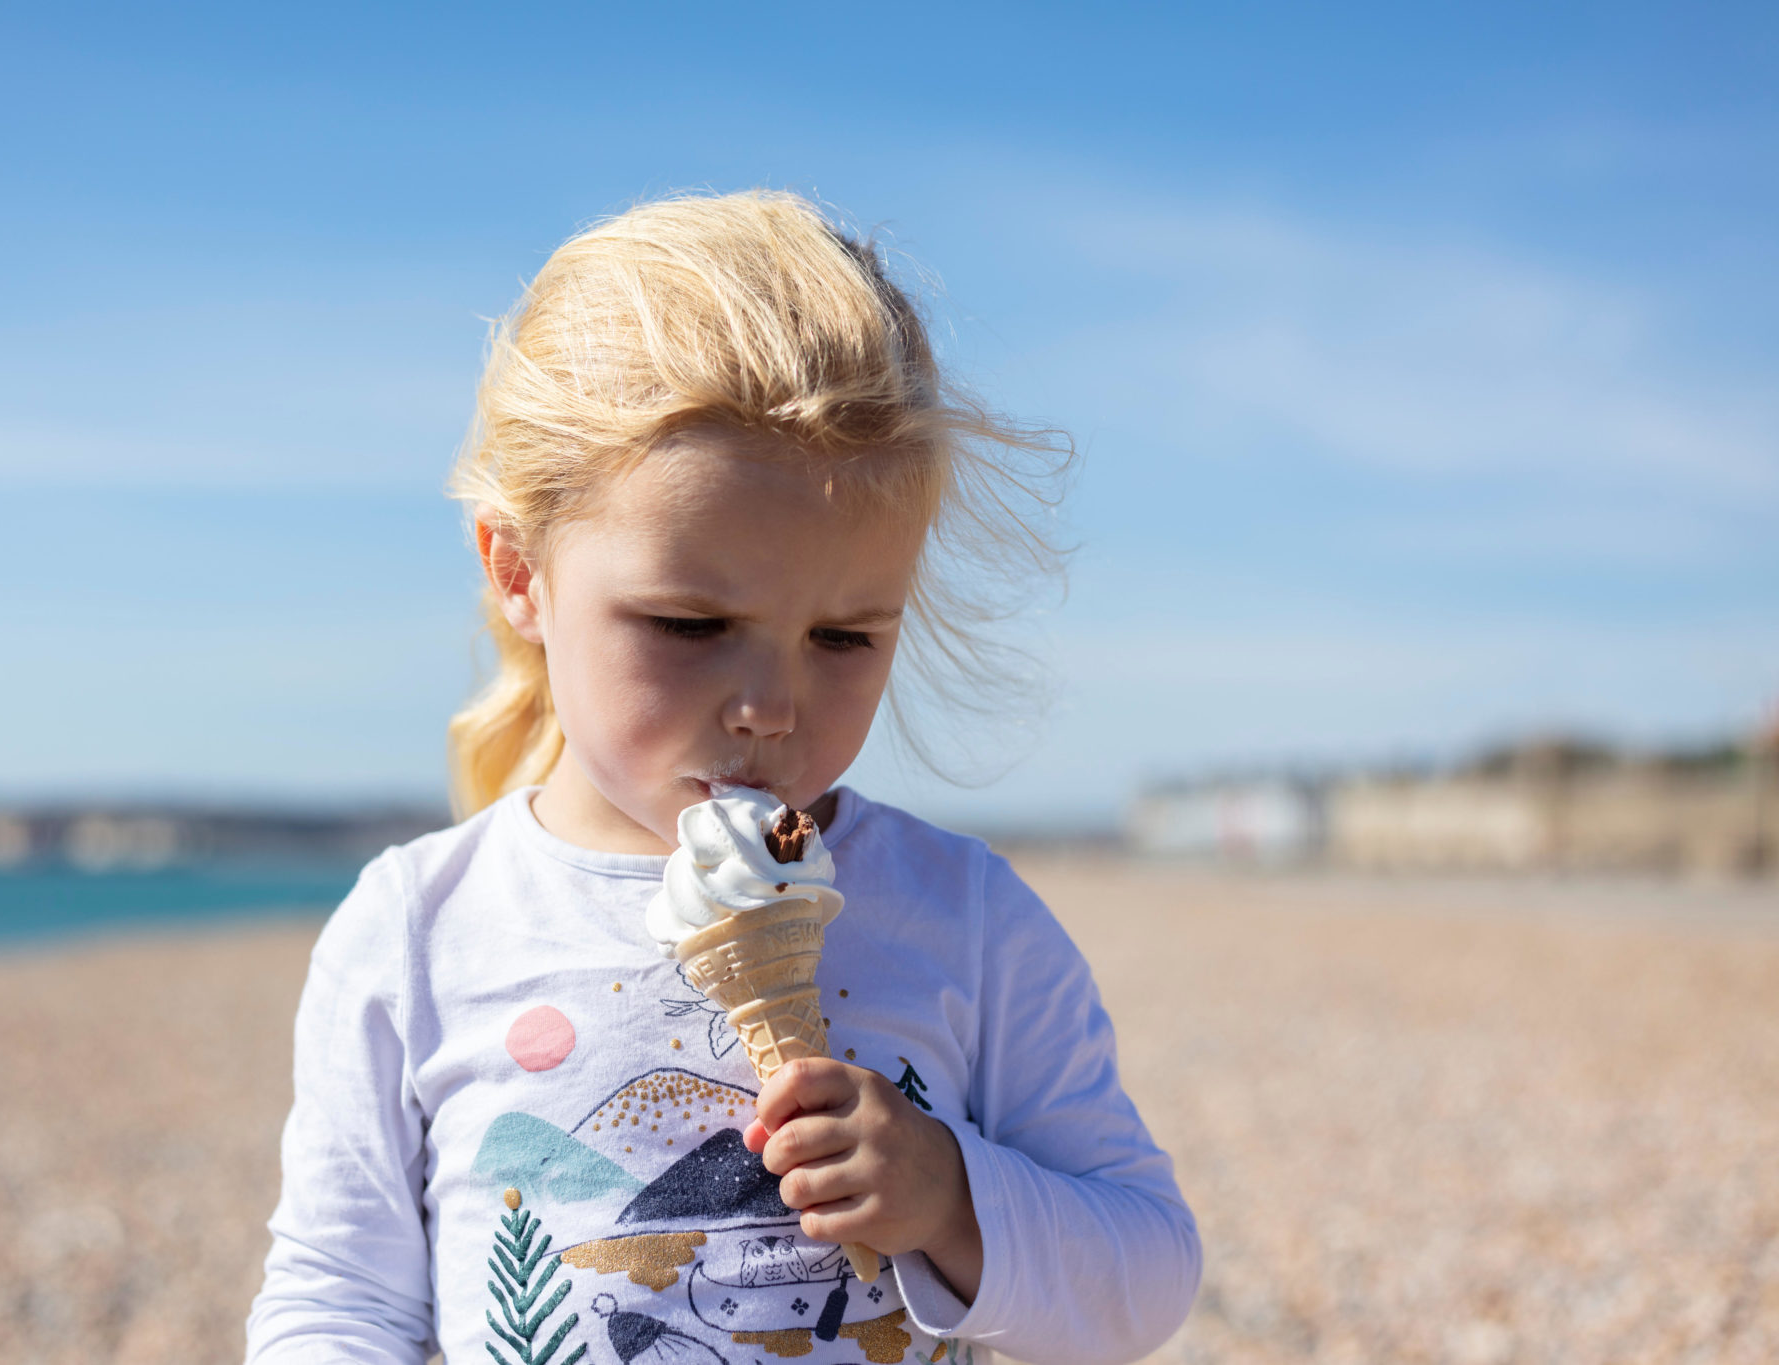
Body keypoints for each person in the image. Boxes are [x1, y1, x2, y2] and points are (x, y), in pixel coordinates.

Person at [245, 191, 1200, 1365]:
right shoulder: (417, 932)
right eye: (690, 626)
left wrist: (952, 1199)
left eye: (846, 638)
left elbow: (1145, 1276)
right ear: (518, 571)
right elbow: (336, 1303)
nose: (770, 709)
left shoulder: (966, 920)